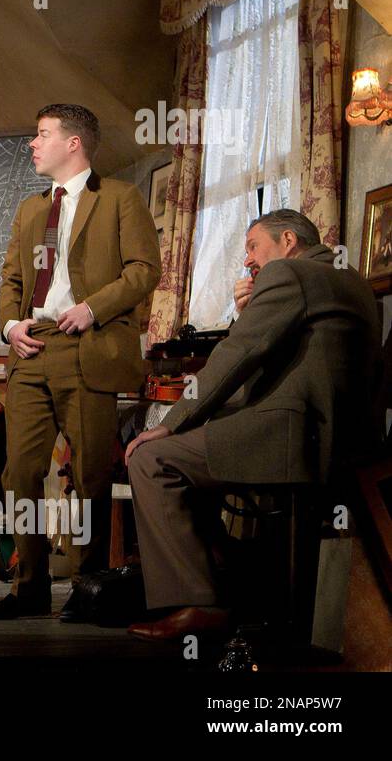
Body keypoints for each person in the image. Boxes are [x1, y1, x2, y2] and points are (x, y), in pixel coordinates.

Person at [124, 209, 381, 640]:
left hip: (292, 437)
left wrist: (170, 423)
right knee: (190, 448)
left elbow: (237, 355)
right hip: (345, 439)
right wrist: (250, 309)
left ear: (287, 241)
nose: (248, 261)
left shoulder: (291, 275)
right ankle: (233, 583)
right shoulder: (348, 276)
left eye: (253, 247)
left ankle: (202, 603)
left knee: (152, 457)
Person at [0, 103, 160, 620]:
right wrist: (10, 325)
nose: (33, 145)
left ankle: (88, 589)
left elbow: (145, 270)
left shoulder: (121, 199)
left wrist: (92, 307)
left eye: (42, 135)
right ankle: (28, 587)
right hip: (31, 346)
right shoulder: (30, 209)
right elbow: (12, 278)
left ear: (73, 143)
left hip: (88, 346)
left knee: (88, 473)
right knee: (19, 473)